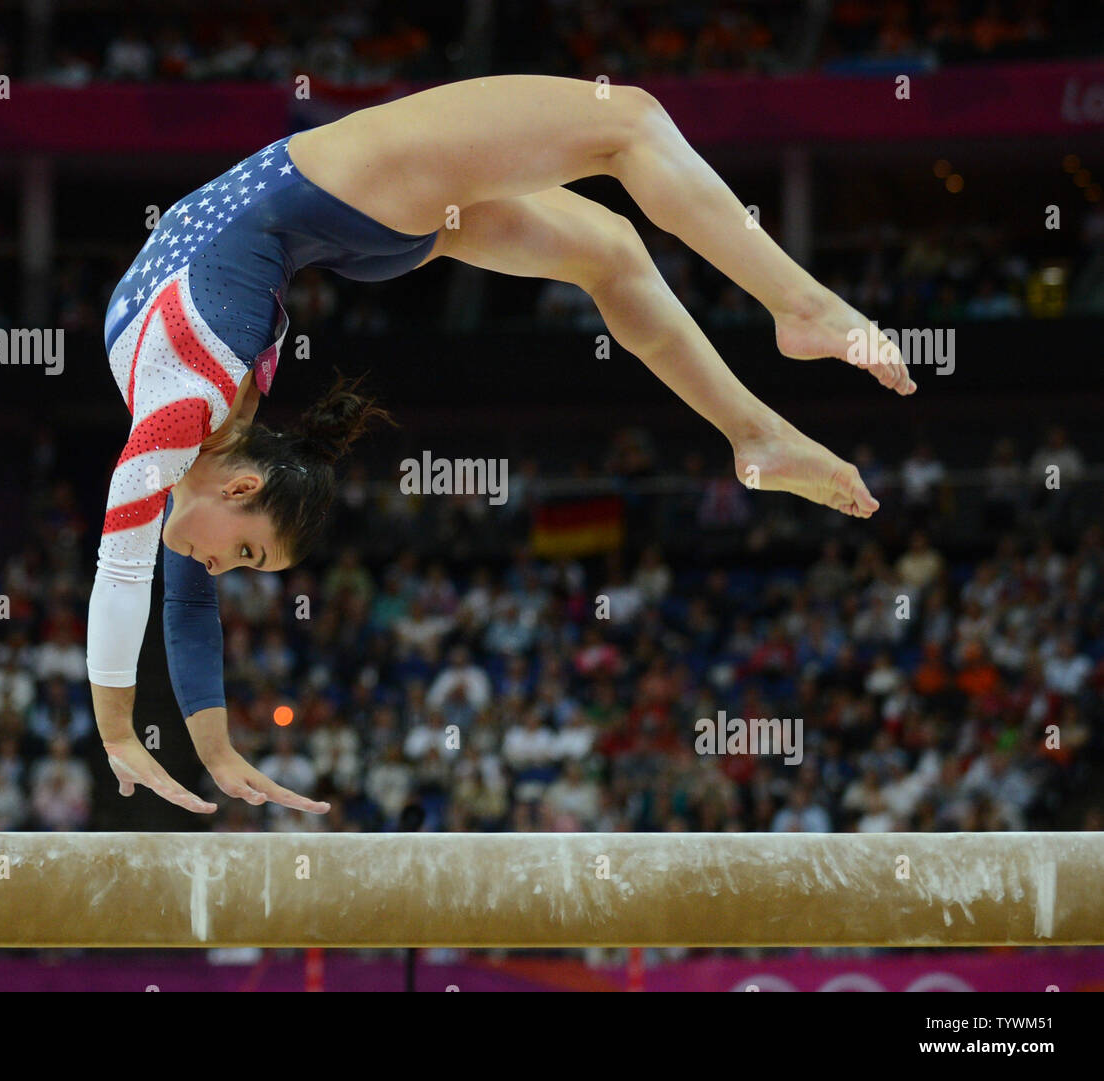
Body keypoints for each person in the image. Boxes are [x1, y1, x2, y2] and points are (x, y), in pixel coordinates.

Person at [88, 74, 916, 815]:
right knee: (616, 223)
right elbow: (184, 599)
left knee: (627, 128)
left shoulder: (181, 413)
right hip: (352, 223)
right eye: (245, 564)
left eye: (242, 557)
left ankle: (799, 313)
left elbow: (124, 570)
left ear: (238, 491)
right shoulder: (200, 453)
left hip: (353, 181)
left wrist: (120, 731)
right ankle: (755, 433)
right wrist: (217, 750)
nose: (216, 568)